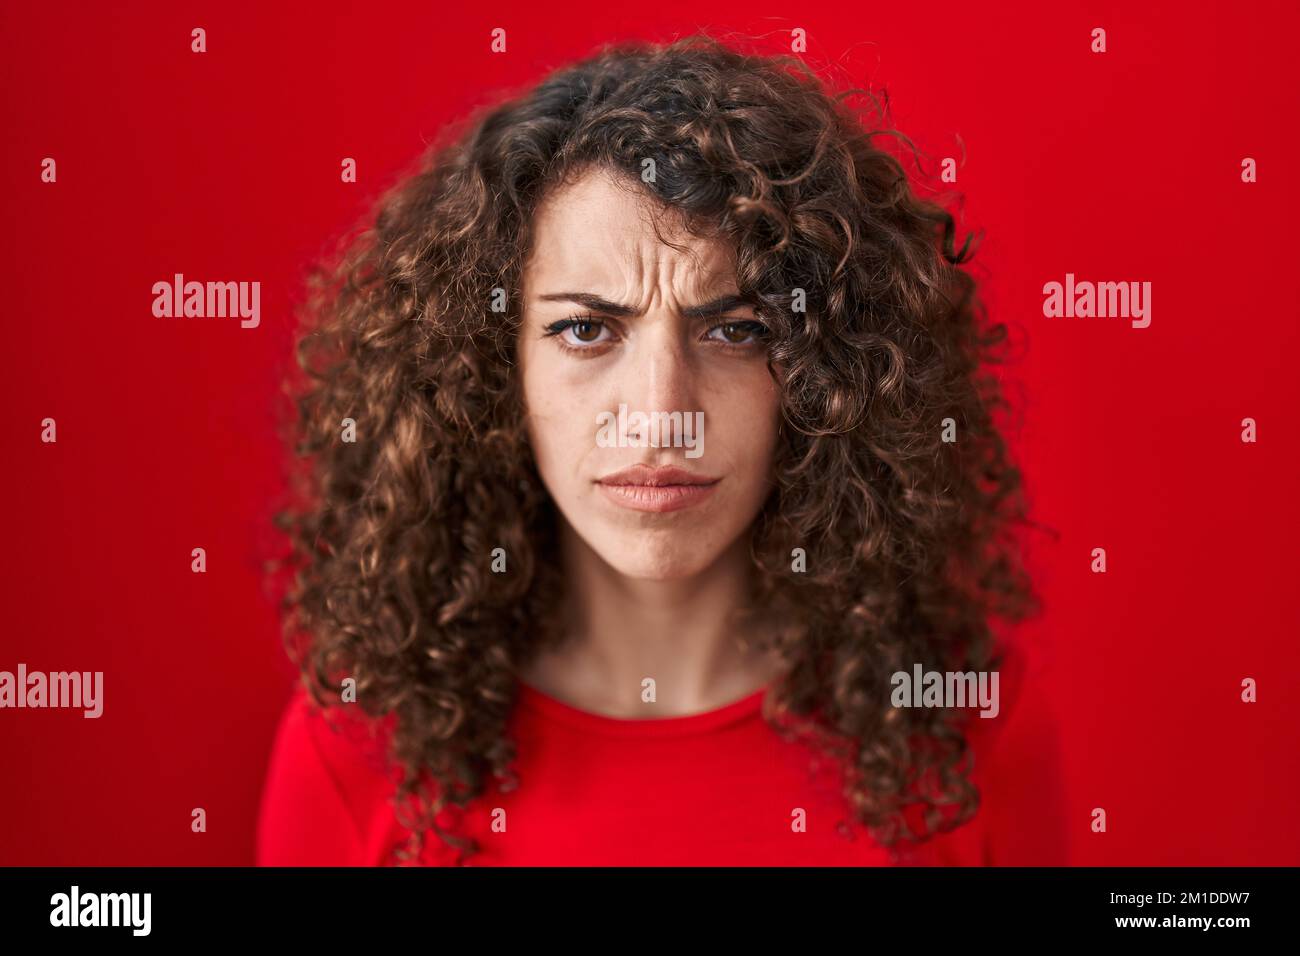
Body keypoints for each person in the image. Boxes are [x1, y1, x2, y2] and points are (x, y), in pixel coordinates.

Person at [257, 33, 1066, 866]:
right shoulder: (358, 747)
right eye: (585, 329)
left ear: (828, 373)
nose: (659, 416)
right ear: (493, 368)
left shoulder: (965, 726)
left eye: (735, 330)